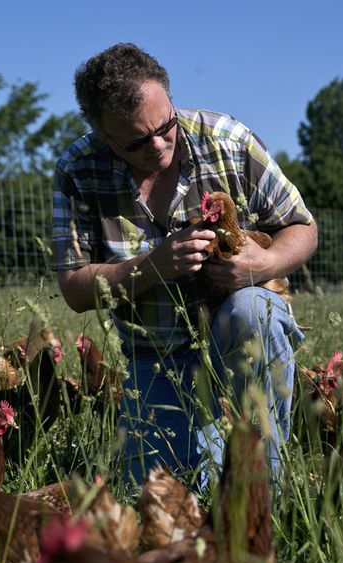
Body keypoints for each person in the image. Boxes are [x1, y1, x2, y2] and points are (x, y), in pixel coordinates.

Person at [51, 43, 317, 485]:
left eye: (165, 126)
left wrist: (266, 262)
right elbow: (75, 289)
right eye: (137, 141)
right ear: (104, 136)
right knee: (161, 492)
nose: (157, 145)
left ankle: (267, 486)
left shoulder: (229, 141)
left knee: (255, 311)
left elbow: (302, 226)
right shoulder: (79, 170)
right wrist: (154, 264)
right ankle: (213, 450)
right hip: (156, 355)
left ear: (171, 101)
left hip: (238, 335)